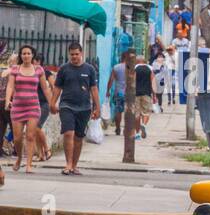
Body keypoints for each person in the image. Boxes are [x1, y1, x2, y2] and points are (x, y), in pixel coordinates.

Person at [50, 43, 99, 176]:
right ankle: (68, 164)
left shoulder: (90, 69)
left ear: (81, 53)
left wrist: (97, 108)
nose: (74, 57)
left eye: (76, 54)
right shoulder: (64, 69)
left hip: (84, 108)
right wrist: (52, 103)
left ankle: (74, 165)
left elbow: (94, 89)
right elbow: (57, 87)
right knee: (68, 133)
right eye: (72, 54)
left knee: (78, 137)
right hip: (67, 105)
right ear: (69, 54)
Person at [6, 44, 54, 175]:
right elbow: (10, 86)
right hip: (17, 107)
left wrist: (52, 104)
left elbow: (45, 88)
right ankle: (20, 158)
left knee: (31, 136)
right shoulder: (15, 69)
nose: (26, 56)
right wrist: (7, 101)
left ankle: (29, 164)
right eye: (24, 53)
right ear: (21, 56)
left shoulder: (39, 70)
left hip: (33, 107)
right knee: (17, 138)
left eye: (28, 53)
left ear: (32, 55)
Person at [132, 51, 156, 141]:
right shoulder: (150, 69)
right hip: (147, 94)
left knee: (136, 114)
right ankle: (144, 125)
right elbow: (153, 83)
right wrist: (154, 95)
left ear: (137, 61)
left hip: (136, 94)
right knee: (146, 112)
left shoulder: (134, 68)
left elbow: (132, 82)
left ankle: (137, 134)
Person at [108, 52, 129, 135]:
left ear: (121, 57)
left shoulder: (116, 67)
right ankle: (126, 129)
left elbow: (111, 80)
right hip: (129, 93)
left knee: (118, 111)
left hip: (118, 92)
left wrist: (107, 91)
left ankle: (118, 128)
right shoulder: (131, 68)